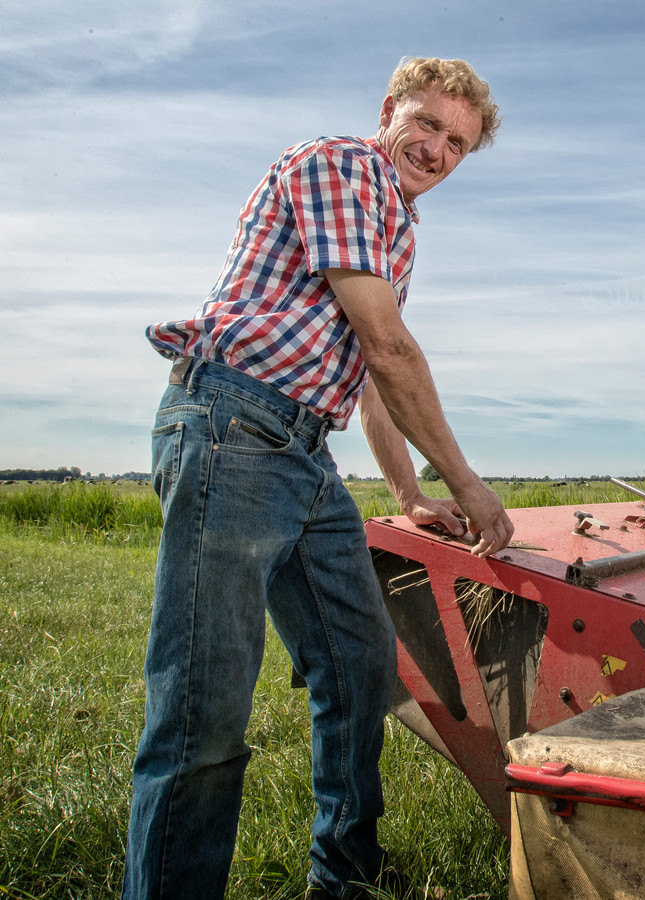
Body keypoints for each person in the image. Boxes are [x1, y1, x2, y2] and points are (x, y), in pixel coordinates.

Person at [123, 57, 514, 900]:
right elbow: (387, 347)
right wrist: (469, 483)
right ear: (388, 112)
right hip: (233, 425)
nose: (438, 150)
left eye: (458, 142)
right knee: (203, 708)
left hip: (301, 448)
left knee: (361, 665)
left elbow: (367, 379)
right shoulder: (343, 165)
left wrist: (410, 496)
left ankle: (346, 872)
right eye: (427, 125)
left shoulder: (397, 229)